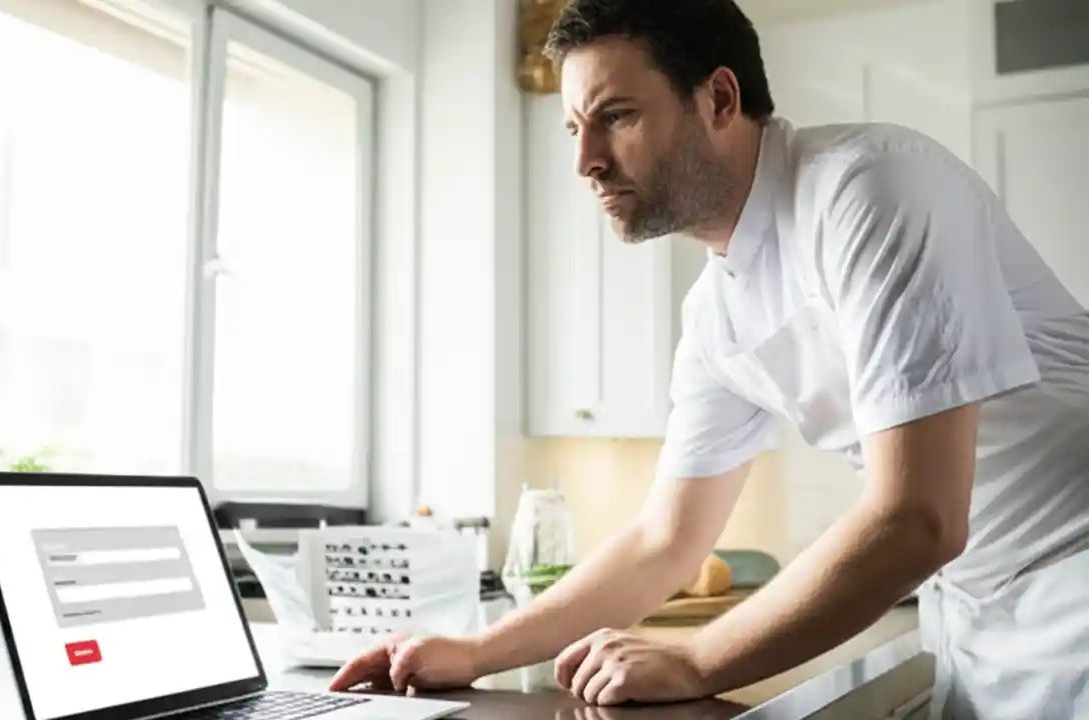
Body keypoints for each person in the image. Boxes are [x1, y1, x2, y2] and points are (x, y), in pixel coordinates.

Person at [329, 1, 1089, 717]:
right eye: (572, 129)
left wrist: (696, 660)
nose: (586, 162)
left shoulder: (869, 188)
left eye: (616, 117)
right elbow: (667, 539)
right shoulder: (716, 312)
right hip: (980, 621)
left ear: (720, 99)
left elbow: (918, 519)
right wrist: (475, 651)